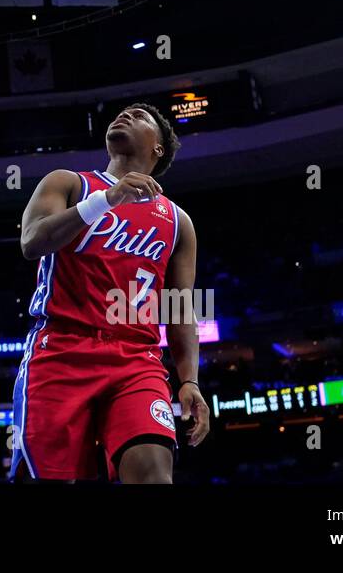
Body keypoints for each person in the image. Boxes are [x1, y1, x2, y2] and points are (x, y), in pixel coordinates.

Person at [12, 105, 210, 483]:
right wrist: (106, 200)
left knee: (153, 473)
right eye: (122, 112)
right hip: (61, 350)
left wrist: (189, 380)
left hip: (137, 359)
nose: (124, 115)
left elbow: (181, 309)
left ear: (157, 149)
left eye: (138, 116)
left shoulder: (177, 221)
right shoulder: (69, 184)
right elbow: (32, 243)